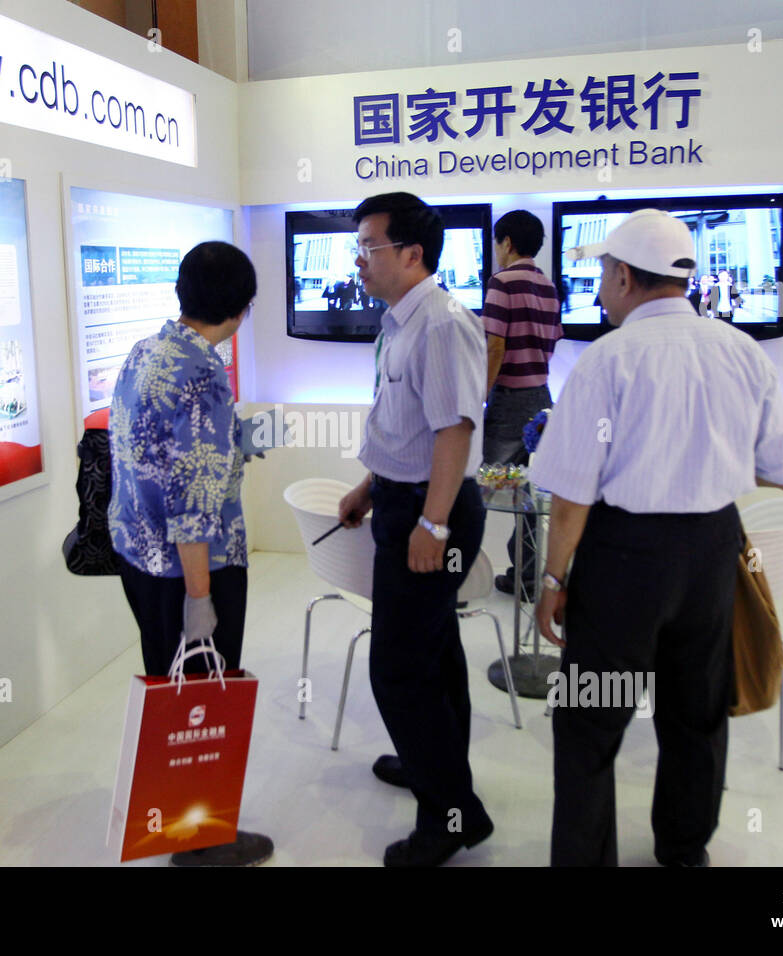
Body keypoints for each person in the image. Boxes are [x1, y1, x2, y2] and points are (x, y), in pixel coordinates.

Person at [528, 209, 783, 867]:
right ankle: (684, 851)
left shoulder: (605, 361)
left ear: (624, 276)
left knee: (592, 720)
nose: (597, 289)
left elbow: (572, 495)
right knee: (696, 713)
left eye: (599, 274)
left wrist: (554, 580)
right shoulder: (742, 351)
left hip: (624, 558)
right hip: (712, 552)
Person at [336, 192, 492, 867]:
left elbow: (454, 429)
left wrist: (431, 523)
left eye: (368, 247)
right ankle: (439, 773)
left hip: (436, 511)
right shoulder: (400, 319)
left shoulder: (441, 323)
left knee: (397, 669)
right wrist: (372, 486)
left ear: (411, 253)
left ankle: (452, 816)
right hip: (406, 500)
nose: (359, 260)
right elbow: (406, 422)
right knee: (434, 656)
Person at [107, 240, 273, 868]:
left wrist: (232, 443)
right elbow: (193, 506)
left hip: (139, 556)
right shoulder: (205, 374)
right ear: (241, 309)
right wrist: (201, 600)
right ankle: (202, 841)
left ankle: (176, 821)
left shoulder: (147, 349)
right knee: (205, 699)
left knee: (171, 689)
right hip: (191, 569)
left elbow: (150, 448)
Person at [480, 209, 563, 598]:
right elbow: (552, 340)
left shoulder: (501, 282)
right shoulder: (547, 285)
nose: (496, 251)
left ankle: (458, 573)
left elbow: (495, 344)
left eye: (498, 243)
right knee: (529, 495)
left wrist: (482, 392)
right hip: (542, 397)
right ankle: (526, 577)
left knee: (477, 489)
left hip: (508, 397)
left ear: (507, 243)